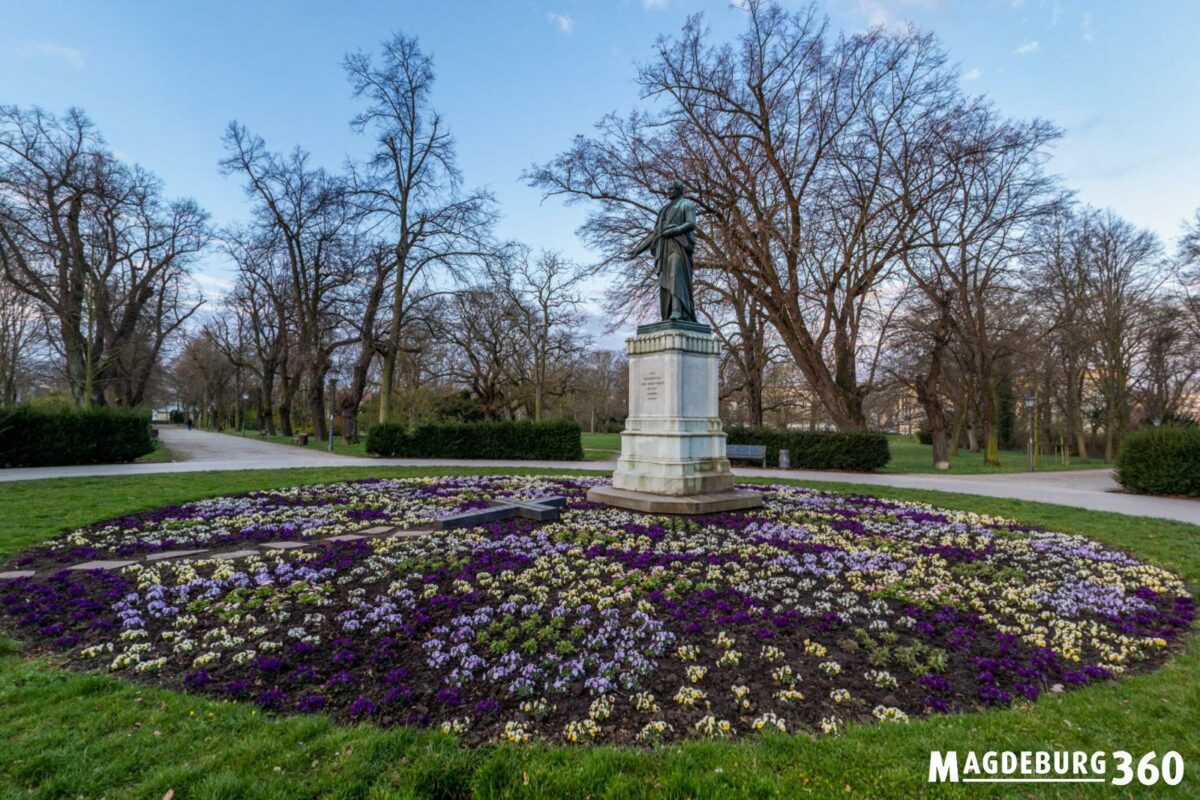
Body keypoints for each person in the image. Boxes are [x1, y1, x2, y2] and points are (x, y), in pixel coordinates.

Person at [629, 179, 698, 322]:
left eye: (672, 188)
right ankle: (668, 313)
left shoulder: (687, 204)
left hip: (679, 246)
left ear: (679, 190)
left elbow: (691, 224)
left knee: (675, 274)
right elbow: (656, 234)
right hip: (664, 249)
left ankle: (677, 311)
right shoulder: (664, 210)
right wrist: (638, 249)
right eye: (668, 188)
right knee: (665, 281)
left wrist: (674, 230)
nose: (668, 190)